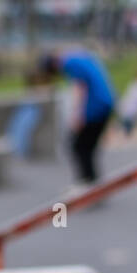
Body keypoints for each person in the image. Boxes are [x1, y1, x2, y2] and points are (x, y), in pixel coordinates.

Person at [39, 50, 116, 189]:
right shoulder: (78, 57)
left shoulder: (69, 64)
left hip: (96, 107)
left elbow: (80, 88)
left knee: (78, 146)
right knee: (86, 147)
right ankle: (92, 182)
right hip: (106, 102)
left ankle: (87, 182)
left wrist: (77, 117)